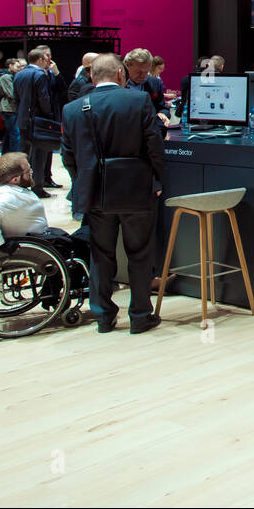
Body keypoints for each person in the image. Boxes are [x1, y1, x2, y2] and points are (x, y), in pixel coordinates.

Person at [60, 54, 166, 335]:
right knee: (140, 254)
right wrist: (158, 178)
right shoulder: (138, 101)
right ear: (121, 74)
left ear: (92, 77)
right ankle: (141, 315)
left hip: (95, 193)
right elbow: (154, 144)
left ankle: (104, 317)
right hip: (136, 189)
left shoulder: (71, 109)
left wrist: (83, 181)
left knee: (101, 255)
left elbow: (68, 157)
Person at [0, 153, 89, 267]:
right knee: (86, 241)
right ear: (15, 179)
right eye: (28, 172)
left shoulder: (5, 191)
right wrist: (0, 245)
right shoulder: (9, 196)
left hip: (37, 238)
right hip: (34, 246)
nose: (31, 172)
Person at [14, 49, 60, 198]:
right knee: (40, 155)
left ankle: (21, 184)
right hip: (38, 120)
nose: (47, 61)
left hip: (22, 118)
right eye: (45, 58)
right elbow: (44, 98)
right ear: (39, 60)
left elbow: (16, 99)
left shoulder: (19, 74)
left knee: (23, 154)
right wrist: (50, 115)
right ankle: (37, 187)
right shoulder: (40, 74)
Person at [123, 48, 170, 125]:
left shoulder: (155, 82)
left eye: (146, 72)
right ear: (127, 65)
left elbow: (162, 107)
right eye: (139, 72)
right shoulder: (118, 84)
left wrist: (163, 114)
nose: (143, 76)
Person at [0, 59, 22, 154]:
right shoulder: (5, 77)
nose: (20, 69)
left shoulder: (13, 76)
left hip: (13, 108)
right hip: (8, 109)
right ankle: (15, 158)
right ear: (10, 66)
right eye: (17, 67)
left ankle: (6, 155)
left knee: (9, 134)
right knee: (15, 134)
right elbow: (12, 94)